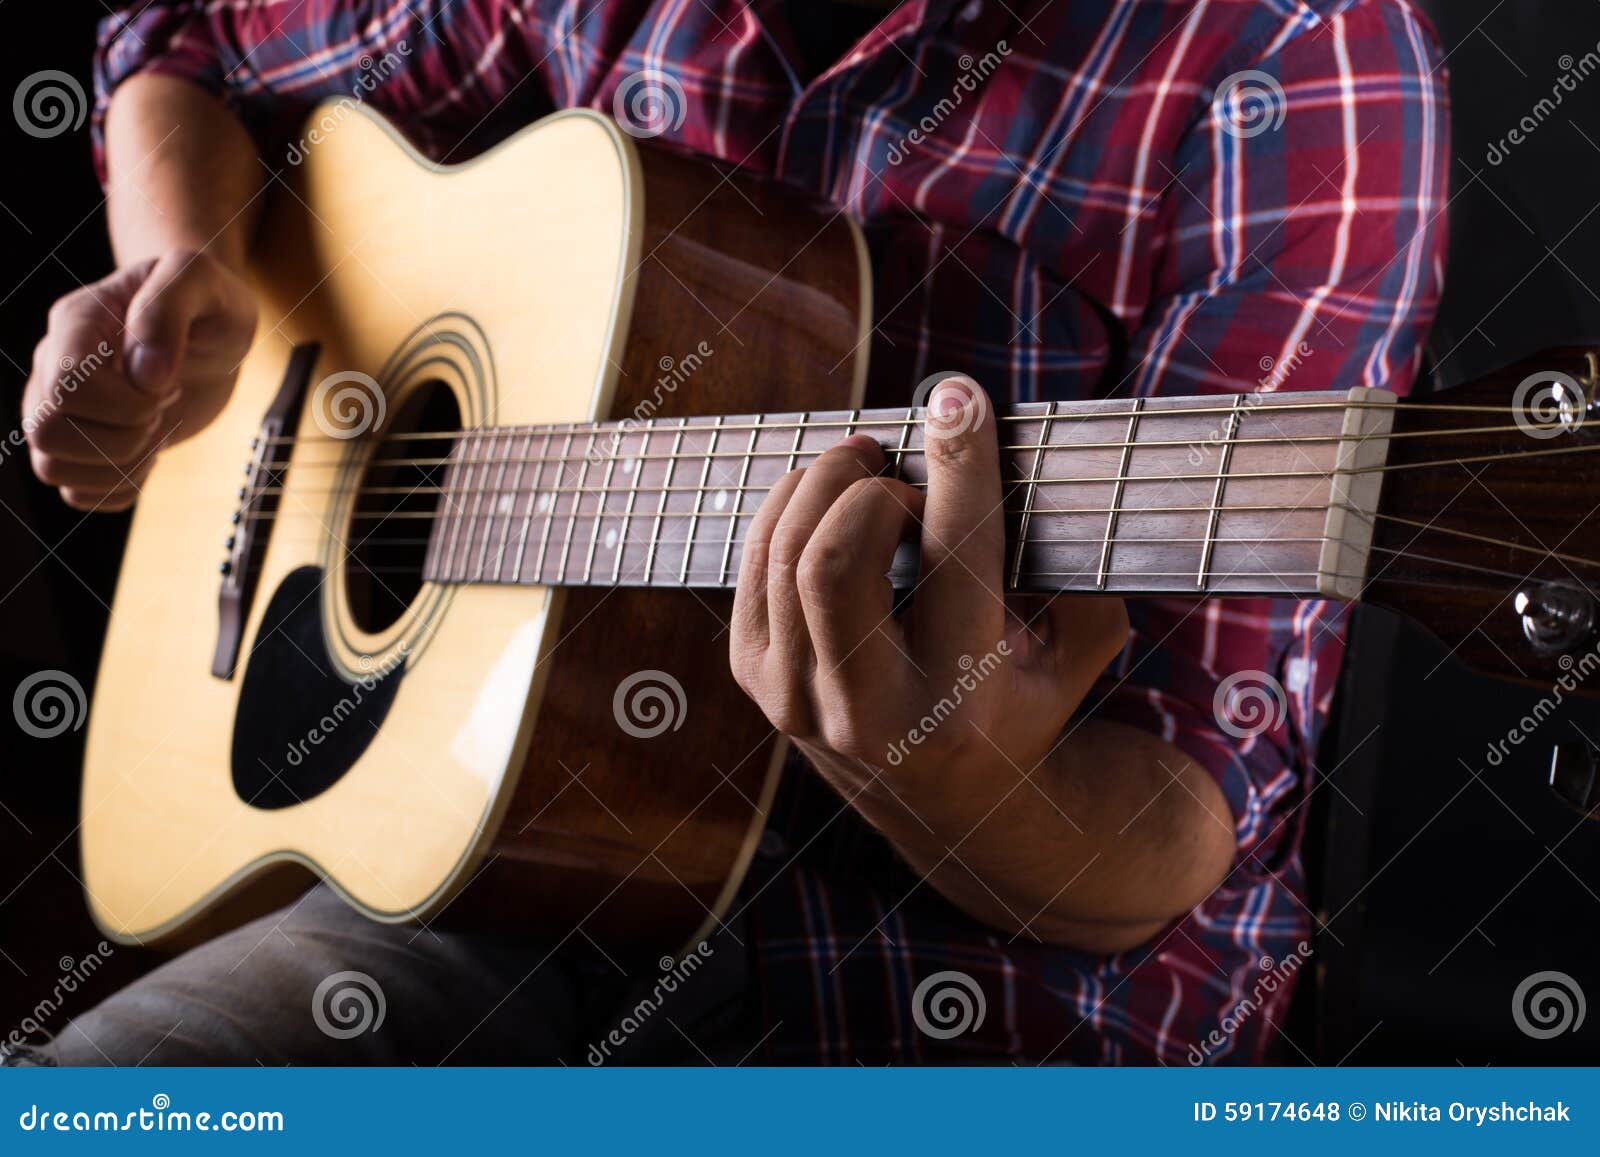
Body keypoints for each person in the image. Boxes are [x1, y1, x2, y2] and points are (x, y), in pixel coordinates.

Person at [14, 0, 1448, 1066]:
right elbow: (181, 48)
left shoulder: (1297, 55)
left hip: (987, 989)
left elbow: (1197, 803)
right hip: (513, 860)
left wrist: (941, 778)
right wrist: (177, 279)